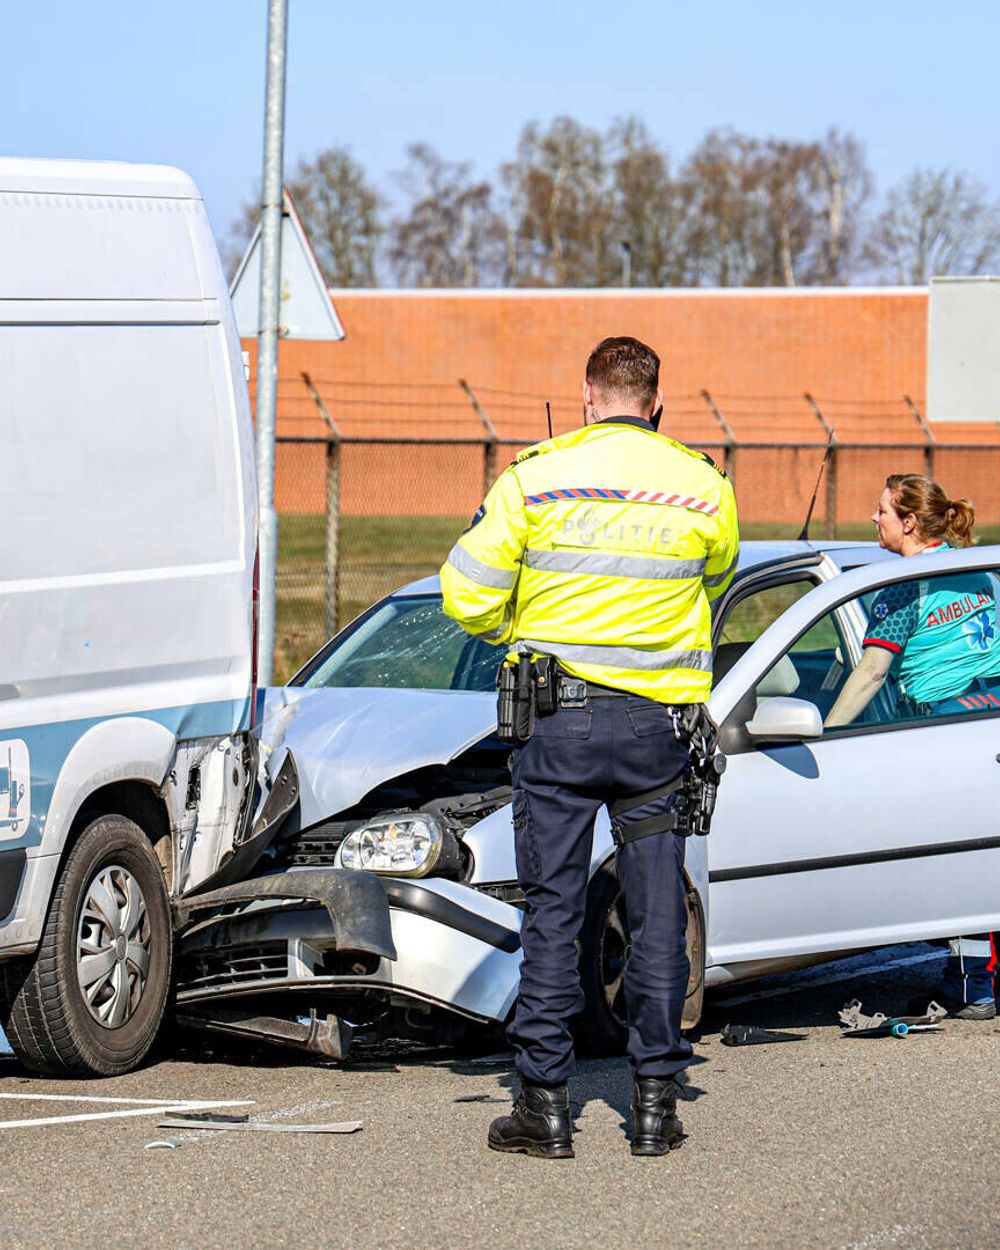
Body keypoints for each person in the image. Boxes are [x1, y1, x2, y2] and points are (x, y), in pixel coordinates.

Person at [440, 336, 739, 1158]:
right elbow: (715, 574)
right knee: (655, 916)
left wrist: (518, 625)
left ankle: (544, 1107)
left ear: (586, 396)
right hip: (656, 732)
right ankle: (655, 1109)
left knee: (553, 912)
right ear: (657, 402)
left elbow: (464, 593)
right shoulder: (704, 484)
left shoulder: (534, 477)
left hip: (559, 725)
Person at [825, 473, 998, 1019]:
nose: (873, 519)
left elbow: (872, 671)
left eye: (882, 511)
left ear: (909, 522)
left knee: (959, 862)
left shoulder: (905, 583)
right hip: (989, 712)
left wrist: (827, 732)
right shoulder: (971, 570)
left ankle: (972, 985)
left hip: (943, 727)